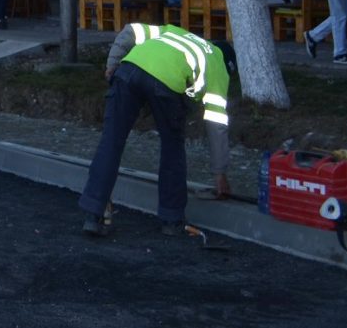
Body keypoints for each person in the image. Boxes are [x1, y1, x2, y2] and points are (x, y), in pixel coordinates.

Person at [80, 24, 235, 235]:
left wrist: (112, 65)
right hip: (167, 84)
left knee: (111, 141)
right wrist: (220, 174)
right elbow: (217, 125)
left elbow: (129, 31)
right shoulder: (217, 64)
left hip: (129, 69)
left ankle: (93, 215)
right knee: (172, 146)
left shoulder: (175, 32)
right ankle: (172, 220)